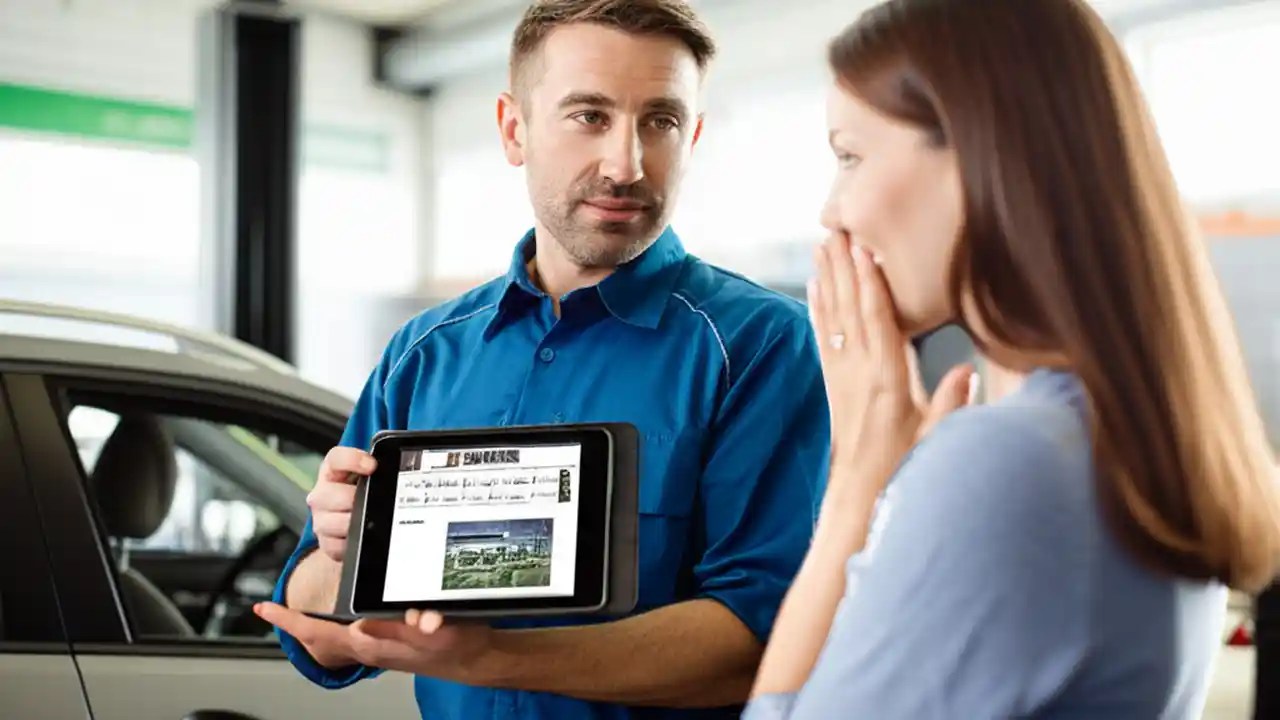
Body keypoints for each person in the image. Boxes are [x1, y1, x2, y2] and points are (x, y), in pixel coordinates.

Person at [253, 1, 830, 719]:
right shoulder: (425, 352)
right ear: (513, 128)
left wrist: (491, 658)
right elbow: (314, 627)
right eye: (590, 115)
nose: (627, 163)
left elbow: (764, 639)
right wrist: (342, 550)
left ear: (695, 136)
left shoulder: (760, 345)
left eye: (662, 121)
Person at [742, 0, 1280, 718]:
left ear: (977, 153)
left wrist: (855, 482)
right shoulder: (1111, 437)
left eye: (850, 155)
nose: (831, 211)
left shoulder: (1007, 462)